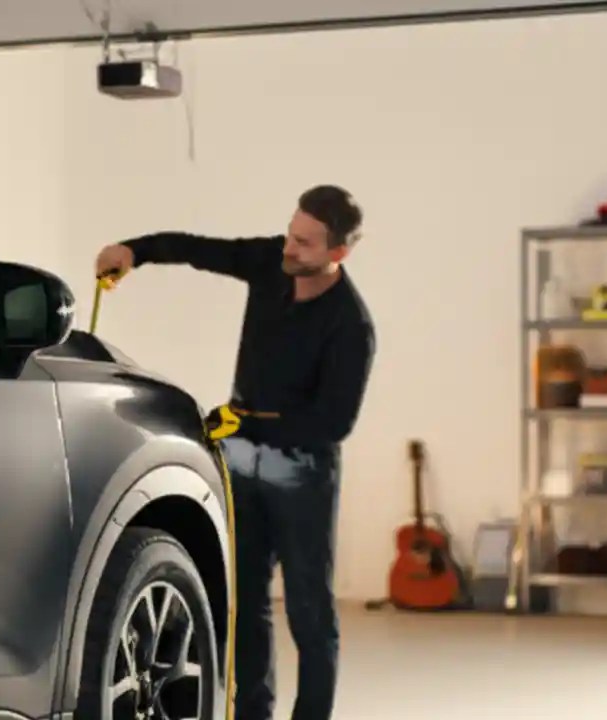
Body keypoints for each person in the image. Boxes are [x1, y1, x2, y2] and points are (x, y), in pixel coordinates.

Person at [94, 185, 375, 720]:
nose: (290, 247)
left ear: (337, 253)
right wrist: (134, 251)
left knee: (310, 614)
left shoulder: (351, 325)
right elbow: (199, 249)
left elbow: (334, 422)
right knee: (245, 604)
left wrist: (251, 421)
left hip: (302, 474)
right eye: (291, 233)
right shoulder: (272, 262)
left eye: (305, 243)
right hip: (242, 461)